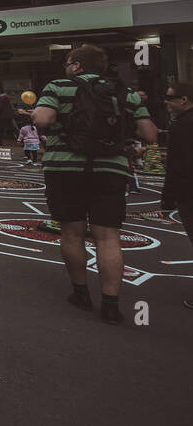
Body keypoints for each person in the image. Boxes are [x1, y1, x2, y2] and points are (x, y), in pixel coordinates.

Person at [33, 43, 157, 325]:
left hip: (65, 167)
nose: (66, 66)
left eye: (68, 61)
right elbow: (149, 134)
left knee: (72, 232)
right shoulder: (125, 92)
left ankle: (81, 293)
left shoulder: (59, 86)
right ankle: (111, 304)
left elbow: (42, 118)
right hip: (110, 168)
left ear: (76, 66)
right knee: (108, 236)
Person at [156, 84, 193, 310]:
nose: (166, 102)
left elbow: (176, 165)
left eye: (170, 98)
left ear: (184, 99)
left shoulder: (182, 126)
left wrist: (167, 199)